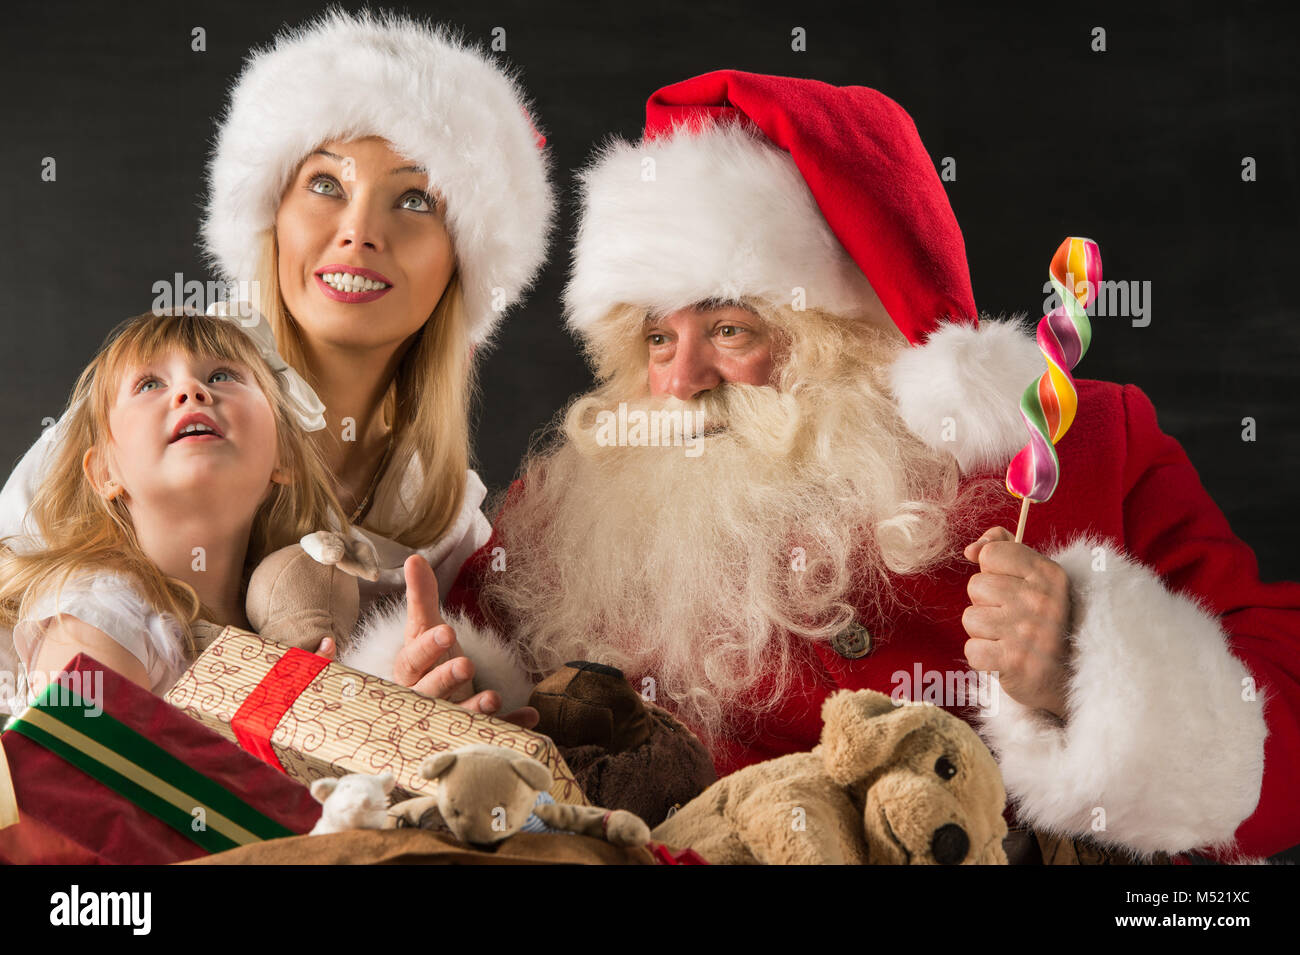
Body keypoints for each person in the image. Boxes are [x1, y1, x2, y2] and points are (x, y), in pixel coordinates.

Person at [445, 71, 1300, 863]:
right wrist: (439, 690)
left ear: (842, 334)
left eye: (730, 330)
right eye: (656, 337)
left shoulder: (1073, 446)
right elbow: (436, 717)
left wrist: (1085, 671)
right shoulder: (567, 517)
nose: (679, 380)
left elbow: (1284, 738)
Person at [0, 10, 551, 717]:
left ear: (461, 262)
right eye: (326, 184)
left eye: (414, 198)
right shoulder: (135, 420)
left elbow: (410, 745)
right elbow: (56, 747)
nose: (359, 231)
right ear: (273, 212)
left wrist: (418, 705)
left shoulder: (443, 524)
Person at [0, 310, 349, 701]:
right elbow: (83, 762)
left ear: (284, 457)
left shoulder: (290, 618)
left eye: (222, 376)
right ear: (104, 473)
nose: (191, 391)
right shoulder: (99, 616)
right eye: (149, 384)